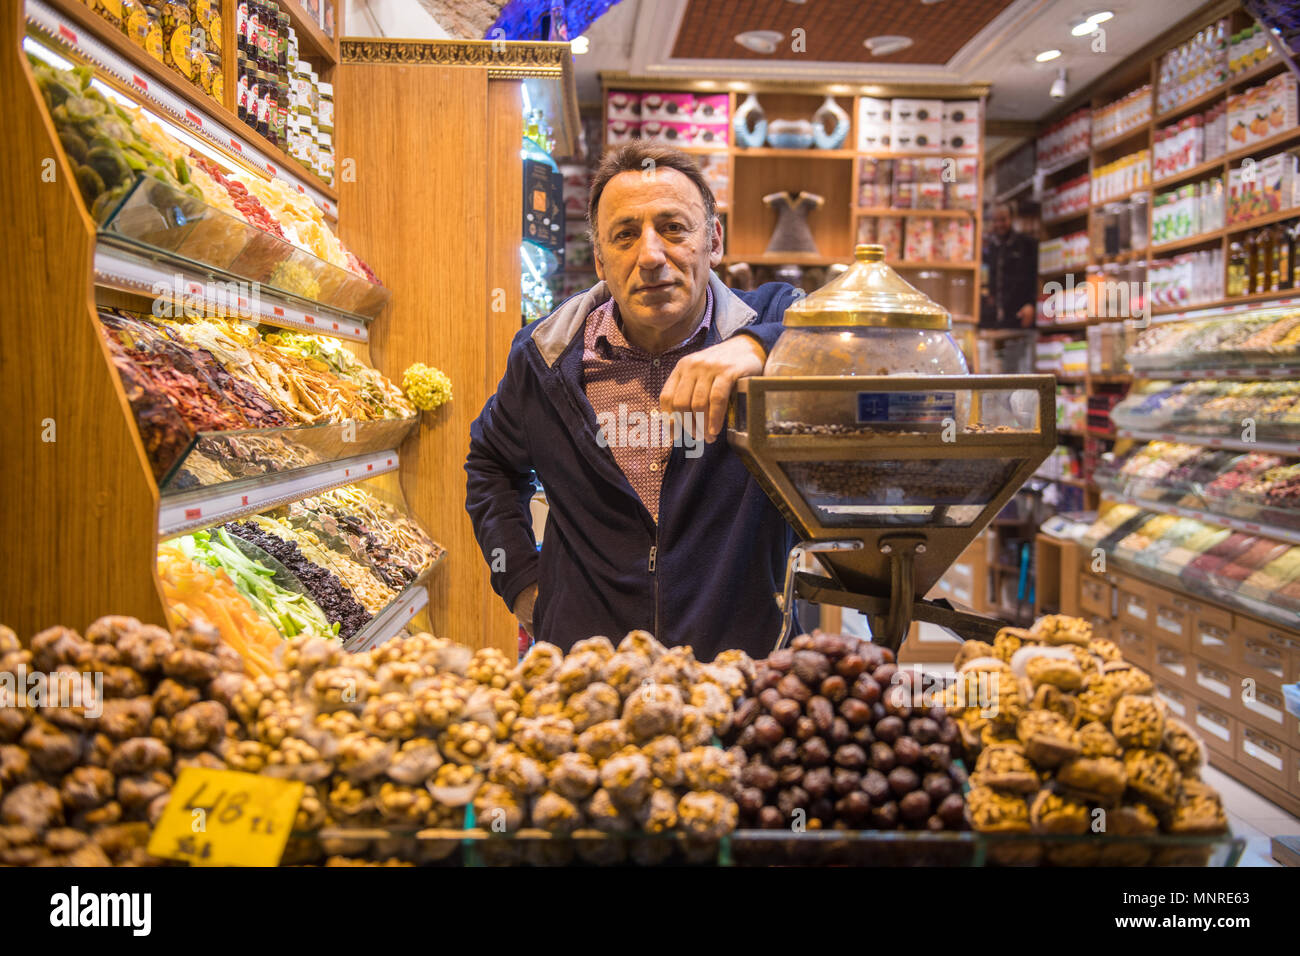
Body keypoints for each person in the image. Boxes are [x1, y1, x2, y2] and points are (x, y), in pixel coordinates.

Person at [465, 142, 799, 659]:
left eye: (673, 227)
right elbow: (491, 464)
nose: (650, 256)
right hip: (589, 679)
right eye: (625, 235)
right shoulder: (544, 358)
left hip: (743, 676)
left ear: (713, 239)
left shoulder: (770, 320)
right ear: (600, 259)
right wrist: (521, 582)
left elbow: (861, 342)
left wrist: (759, 347)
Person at [980, 202, 1038, 329]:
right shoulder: (987, 248)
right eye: (995, 221)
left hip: (1020, 316)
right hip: (992, 320)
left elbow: (1035, 277)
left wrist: (1032, 304)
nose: (999, 225)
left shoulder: (1027, 245)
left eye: (1003, 220)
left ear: (1012, 219)